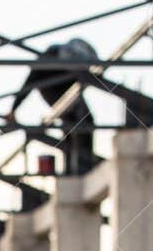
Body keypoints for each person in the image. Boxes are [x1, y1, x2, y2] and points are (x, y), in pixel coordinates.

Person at [5, 37, 100, 175]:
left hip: (69, 88)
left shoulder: (75, 57)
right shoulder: (48, 59)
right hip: (51, 89)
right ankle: (77, 166)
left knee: (84, 120)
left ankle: (83, 163)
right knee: (72, 121)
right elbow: (28, 85)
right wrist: (14, 109)